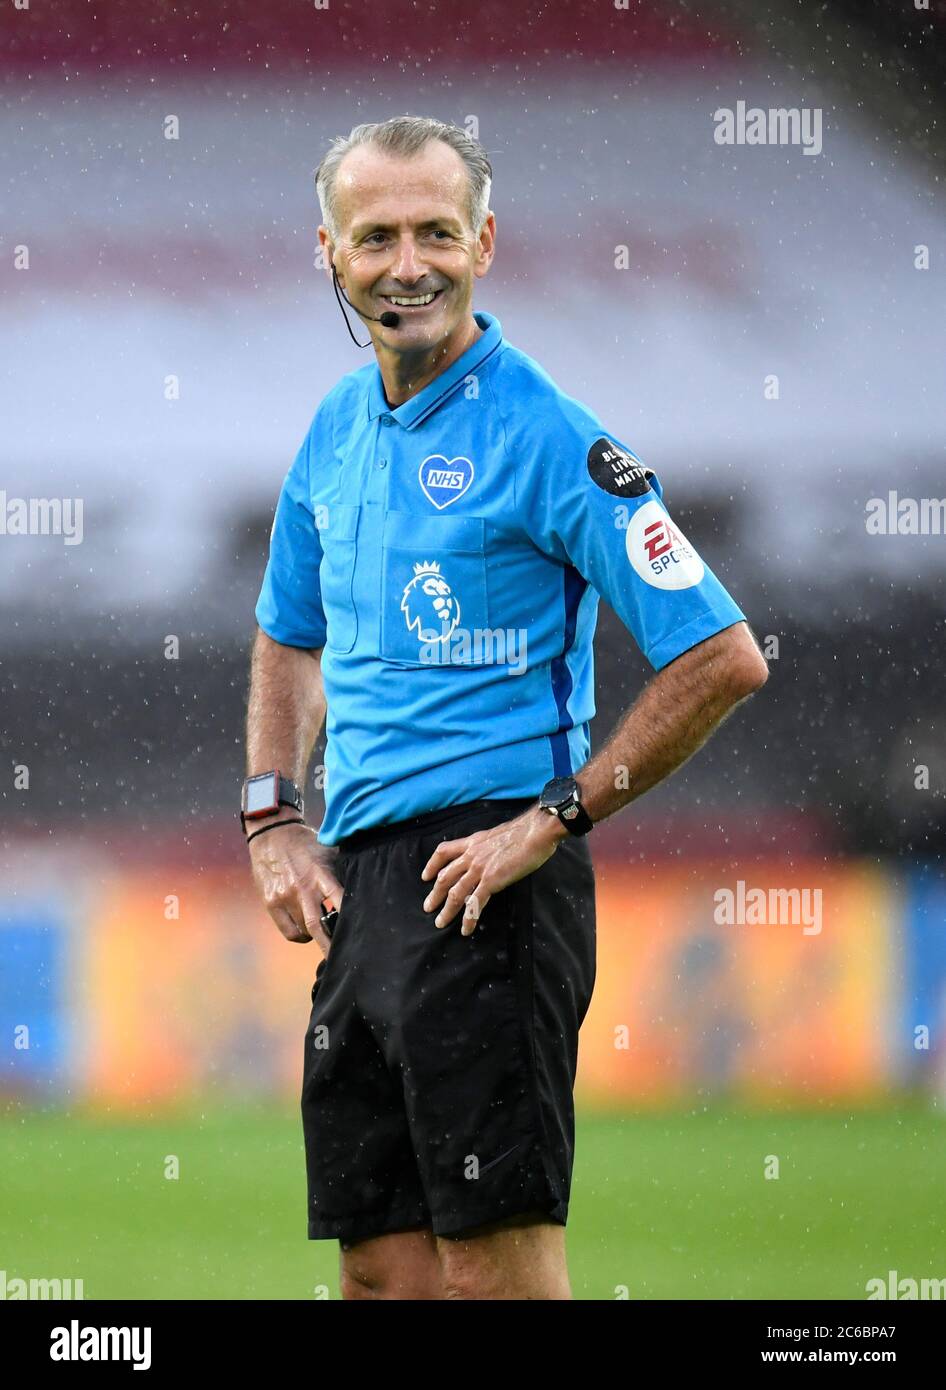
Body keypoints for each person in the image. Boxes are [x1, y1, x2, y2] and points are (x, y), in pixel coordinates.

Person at [244, 115, 768, 1300]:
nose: (407, 262)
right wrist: (271, 814)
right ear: (327, 254)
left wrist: (554, 820)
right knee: (381, 1269)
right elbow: (287, 630)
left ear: (485, 241)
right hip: (362, 885)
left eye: (436, 230)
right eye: (374, 235)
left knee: (494, 1271)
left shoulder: (551, 437)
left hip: (492, 884)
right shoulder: (332, 429)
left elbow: (723, 655)